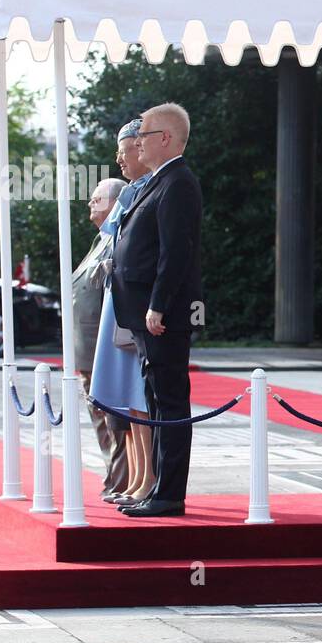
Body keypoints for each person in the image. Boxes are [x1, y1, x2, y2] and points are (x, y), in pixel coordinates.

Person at [111, 103, 204, 518]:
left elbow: (175, 253)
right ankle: (159, 489)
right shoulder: (158, 181)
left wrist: (158, 305)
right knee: (156, 397)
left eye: (144, 135)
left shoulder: (178, 183)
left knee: (168, 400)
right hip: (144, 312)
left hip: (161, 314)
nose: (137, 143)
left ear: (165, 138)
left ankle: (169, 493)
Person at [90, 120, 154, 508]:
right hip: (120, 303)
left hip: (135, 305)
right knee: (126, 403)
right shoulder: (134, 191)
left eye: (125, 149)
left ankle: (147, 478)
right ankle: (137, 477)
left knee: (139, 397)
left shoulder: (146, 190)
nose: (120, 158)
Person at [73, 176, 129, 498]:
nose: (91, 204)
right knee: (101, 420)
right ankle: (114, 475)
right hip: (87, 350)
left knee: (113, 419)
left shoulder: (116, 238)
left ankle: (120, 479)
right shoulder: (101, 239)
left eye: (97, 199)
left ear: (115, 203)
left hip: (102, 348)